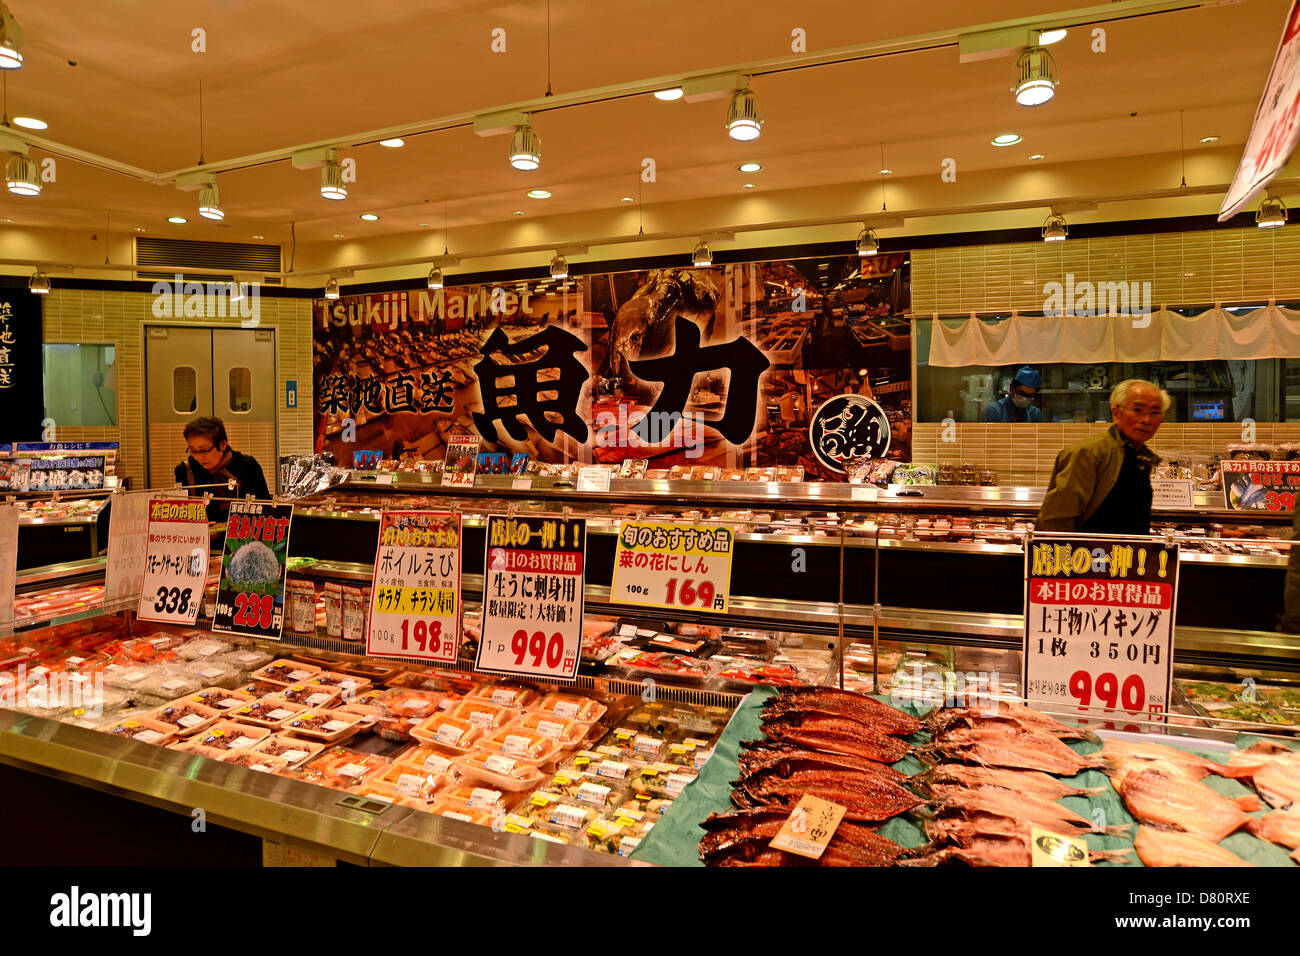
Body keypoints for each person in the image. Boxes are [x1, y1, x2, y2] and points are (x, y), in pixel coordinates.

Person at [1036, 379, 1167, 535]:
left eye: (1154, 412)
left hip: (1126, 557)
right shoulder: (1088, 454)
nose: (1146, 420)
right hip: (1090, 557)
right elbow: (1055, 523)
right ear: (1116, 413)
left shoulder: (1141, 458)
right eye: (1138, 410)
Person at [175, 416, 271, 519]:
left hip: (242, 532)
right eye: (193, 450)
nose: (198, 457)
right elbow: (181, 518)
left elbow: (267, 510)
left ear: (223, 444)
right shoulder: (186, 470)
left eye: (204, 450)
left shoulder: (247, 466)